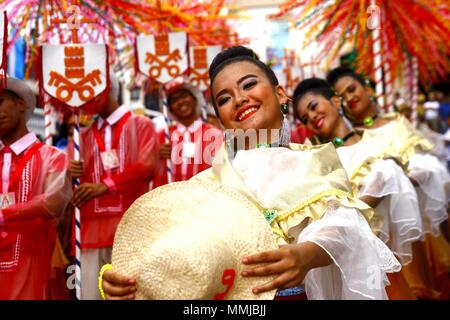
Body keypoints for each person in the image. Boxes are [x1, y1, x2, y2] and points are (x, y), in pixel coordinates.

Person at [100, 46, 400, 300]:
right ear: (221, 120)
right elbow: (174, 256)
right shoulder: (205, 185)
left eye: (248, 85)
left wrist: (307, 254)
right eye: (224, 98)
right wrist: (125, 281)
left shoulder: (315, 162)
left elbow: (346, 227)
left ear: (280, 93)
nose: (240, 99)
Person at [293, 78, 425, 299]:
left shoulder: (375, 143)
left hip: (381, 257)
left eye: (314, 106)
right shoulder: (310, 157)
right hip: (341, 265)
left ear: (336, 101)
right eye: (305, 118)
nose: (313, 117)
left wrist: (353, 210)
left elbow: (393, 180)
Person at [327, 66, 450, 299]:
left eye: (352, 89)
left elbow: (424, 166)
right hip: (380, 229)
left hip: (413, 224)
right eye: (342, 96)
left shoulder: (396, 123)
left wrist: (400, 180)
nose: (350, 98)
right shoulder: (352, 139)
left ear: (366, 88)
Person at [69, 71, 159, 299]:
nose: (86, 98)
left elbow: (146, 167)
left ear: (108, 88)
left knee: (134, 295)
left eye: (91, 90)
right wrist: (69, 174)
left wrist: (106, 185)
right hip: (90, 232)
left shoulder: (141, 124)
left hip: (132, 230)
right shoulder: (82, 136)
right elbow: (68, 189)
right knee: (90, 295)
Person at [0, 77, 72, 299]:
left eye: (0, 101)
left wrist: (4, 215)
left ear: (21, 104)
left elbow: (53, 202)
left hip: (33, 263)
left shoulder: (52, 157)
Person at [152, 80, 222, 188]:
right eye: (174, 100)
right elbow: (147, 170)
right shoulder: (161, 136)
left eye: (184, 96)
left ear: (195, 99)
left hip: (204, 198)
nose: (180, 102)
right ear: (169, 108)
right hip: (168, 199)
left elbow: (223, 171)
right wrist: (156, 155)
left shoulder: (215, 135)